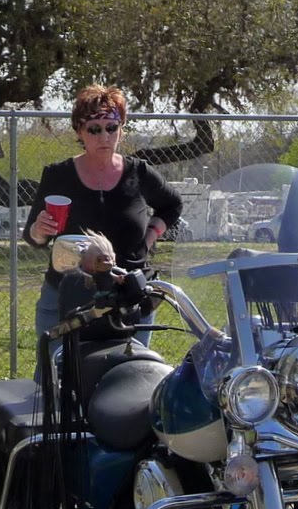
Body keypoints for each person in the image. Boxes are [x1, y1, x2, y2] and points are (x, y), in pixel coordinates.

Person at [22, 84, 183, 375]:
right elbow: (34, 238)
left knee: (129, 378)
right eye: (94, 129)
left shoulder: (138, 172)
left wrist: (147, 240)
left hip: (128, 299)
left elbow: (172, 205)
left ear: (121, 128)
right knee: (55, 384)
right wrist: (39, 229)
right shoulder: (58, 175)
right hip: (67, 299)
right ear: (79, 131)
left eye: (112, 127)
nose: (104, 136)